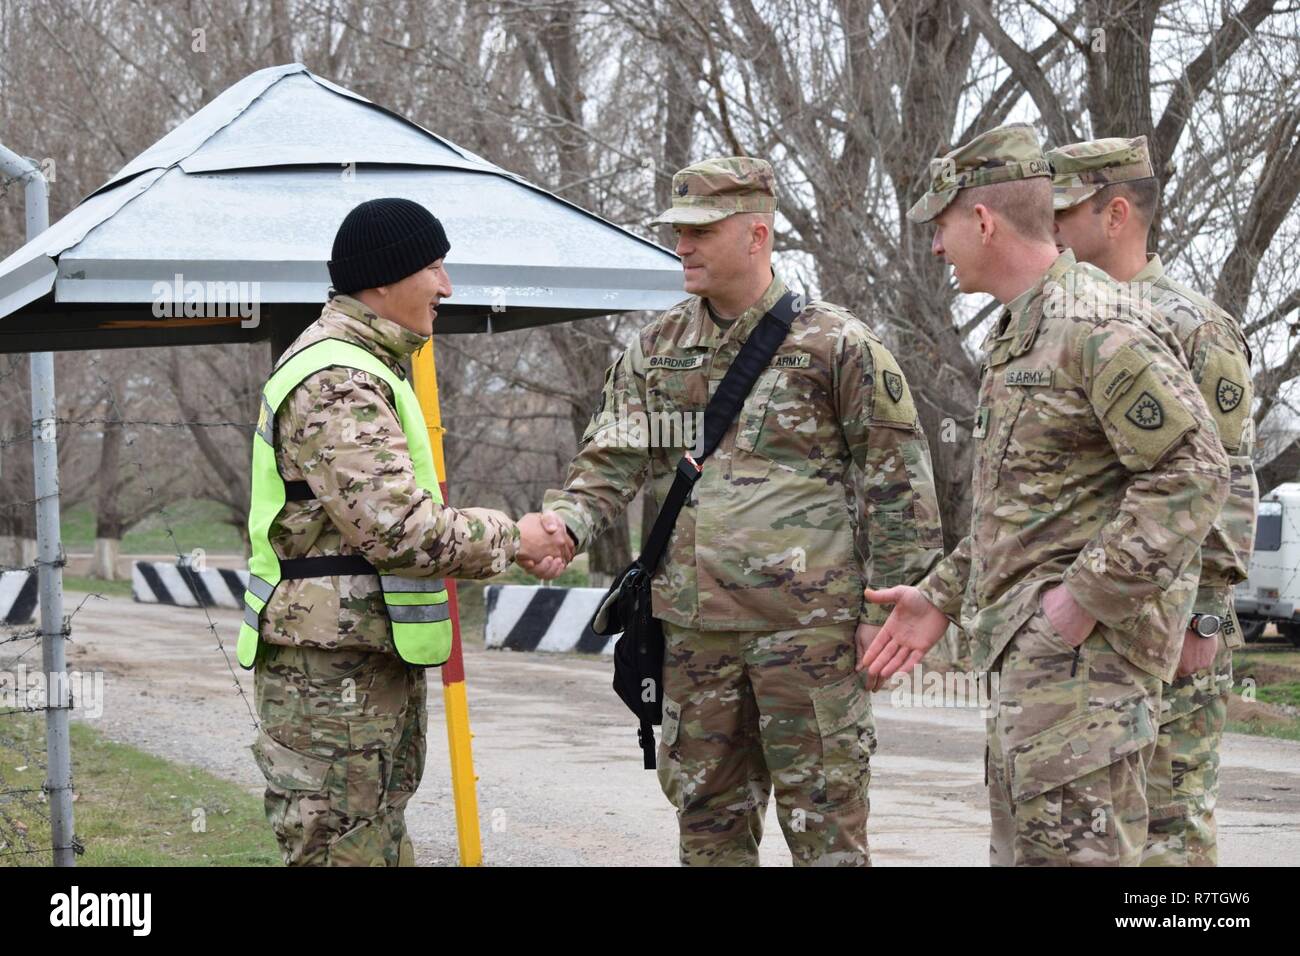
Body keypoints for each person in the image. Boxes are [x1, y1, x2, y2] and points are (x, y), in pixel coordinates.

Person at [542, 157, 944, 866]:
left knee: (828, 836)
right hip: (695, 638)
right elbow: (612, 458)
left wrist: (888, 615)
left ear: (756, 235)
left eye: (700, 230)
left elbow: (897, 488)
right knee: (707, 830)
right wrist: (565, 525)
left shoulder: (837, 346)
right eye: (676, 230)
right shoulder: (658, 349)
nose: (682, 245)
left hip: (808, 641)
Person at [861, 124, 1231, 866]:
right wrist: (941, 595)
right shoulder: (1025, 333)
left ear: (983, 221)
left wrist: (1083, 600)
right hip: (1041, 681)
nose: (937, 248)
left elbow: (1196, 471)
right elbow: (1025, 512)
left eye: (942, 226)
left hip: (1087, 686)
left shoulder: (1095, 323)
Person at [239, 197, 573, 866]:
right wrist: (515, 538)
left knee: (373, 841)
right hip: (330, 672)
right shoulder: (337, 380)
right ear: (384, 279)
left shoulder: (369, 367)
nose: (447, 287)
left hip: (358, 664)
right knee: (343, 849)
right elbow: (399, 530)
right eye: (436, 267)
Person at [1047, 136, 1258, 866]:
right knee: (1099, 830)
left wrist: (1206, 614)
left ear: (1115, 214)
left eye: (1065, 214)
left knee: (1171, 824)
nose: (1054, 231)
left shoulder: (1193, 325)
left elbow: (1227, 478)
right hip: (1095, 625)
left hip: (1174, 628)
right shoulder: (1066, 321)